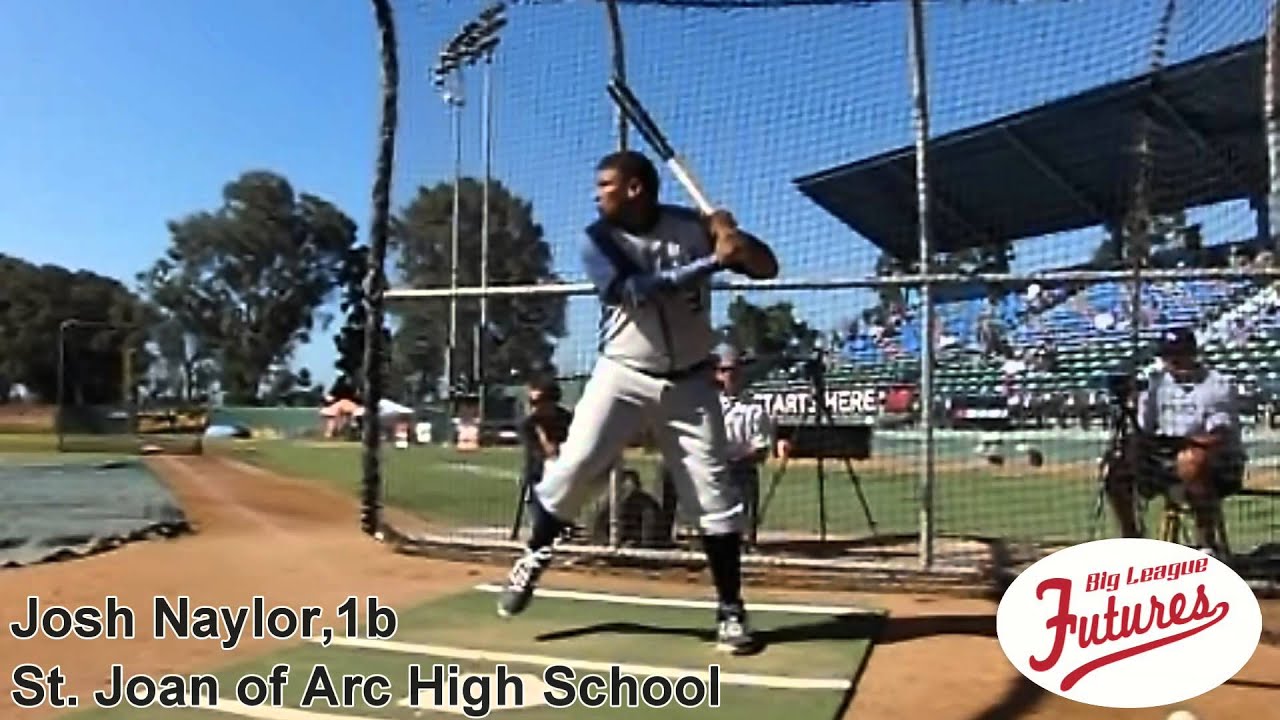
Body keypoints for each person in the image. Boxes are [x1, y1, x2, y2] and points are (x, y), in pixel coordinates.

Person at [494, 149, 779, 655]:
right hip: (622, 374)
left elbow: (766, 267)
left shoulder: (693, 224)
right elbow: (636, 291)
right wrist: (714, 260)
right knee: (576, 465)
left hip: (692, 381)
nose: (595, 192)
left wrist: (735, 237)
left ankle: (731, 611)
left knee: (713, 494)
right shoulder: (597, 238)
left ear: (635, 188)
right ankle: (533, 557)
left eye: (605, 183)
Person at [1105, 327, 1245, 554]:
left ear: (1192, 354)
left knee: (1191, 460)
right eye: (1167, 355)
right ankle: (1131, 537)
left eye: (1178, 354)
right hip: (1165, 458)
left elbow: (1219, 435)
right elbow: (1143, 428)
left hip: (1219, 464)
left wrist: (1184, 443)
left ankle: (1206, 541)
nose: (1172, 361)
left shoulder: (1216, 385)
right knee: (1116, 466)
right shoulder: (1157, 384)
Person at [715, 345, 773, 547]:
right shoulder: (708, 405)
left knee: (743, 480)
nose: (729, 375)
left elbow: (761, 449)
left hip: (740, 469)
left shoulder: (755, 409)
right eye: (724, 370)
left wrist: (734, 461)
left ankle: (746, 540)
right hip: (712, 469)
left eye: (734, 369)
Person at [517, 375, 573, 528]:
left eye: (536, 402)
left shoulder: (567, 420)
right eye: (530, 402)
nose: (532, 407)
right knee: (541, 522)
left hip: (566, 475)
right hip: (538, 476)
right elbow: (542, 454)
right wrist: (542, 434)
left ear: (550, 401)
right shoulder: (528, 424)